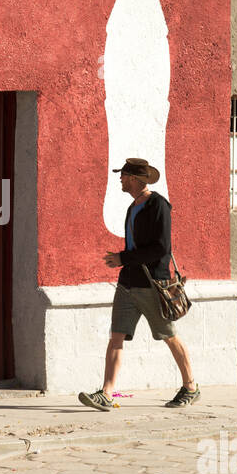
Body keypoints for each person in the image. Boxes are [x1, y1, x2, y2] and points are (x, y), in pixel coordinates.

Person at [78, 158, 199, 411]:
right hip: (127, 283)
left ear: (133, 178)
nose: (120, 180)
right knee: (116, 336)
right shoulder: (133, 206)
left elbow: (161, 248)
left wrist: (123, 258)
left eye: (122, 176)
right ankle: (107, 393)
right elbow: (135, 246)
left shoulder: (159, 206)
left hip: (152, 284)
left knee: (169, 336)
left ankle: (190, 387)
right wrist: (123, 260)